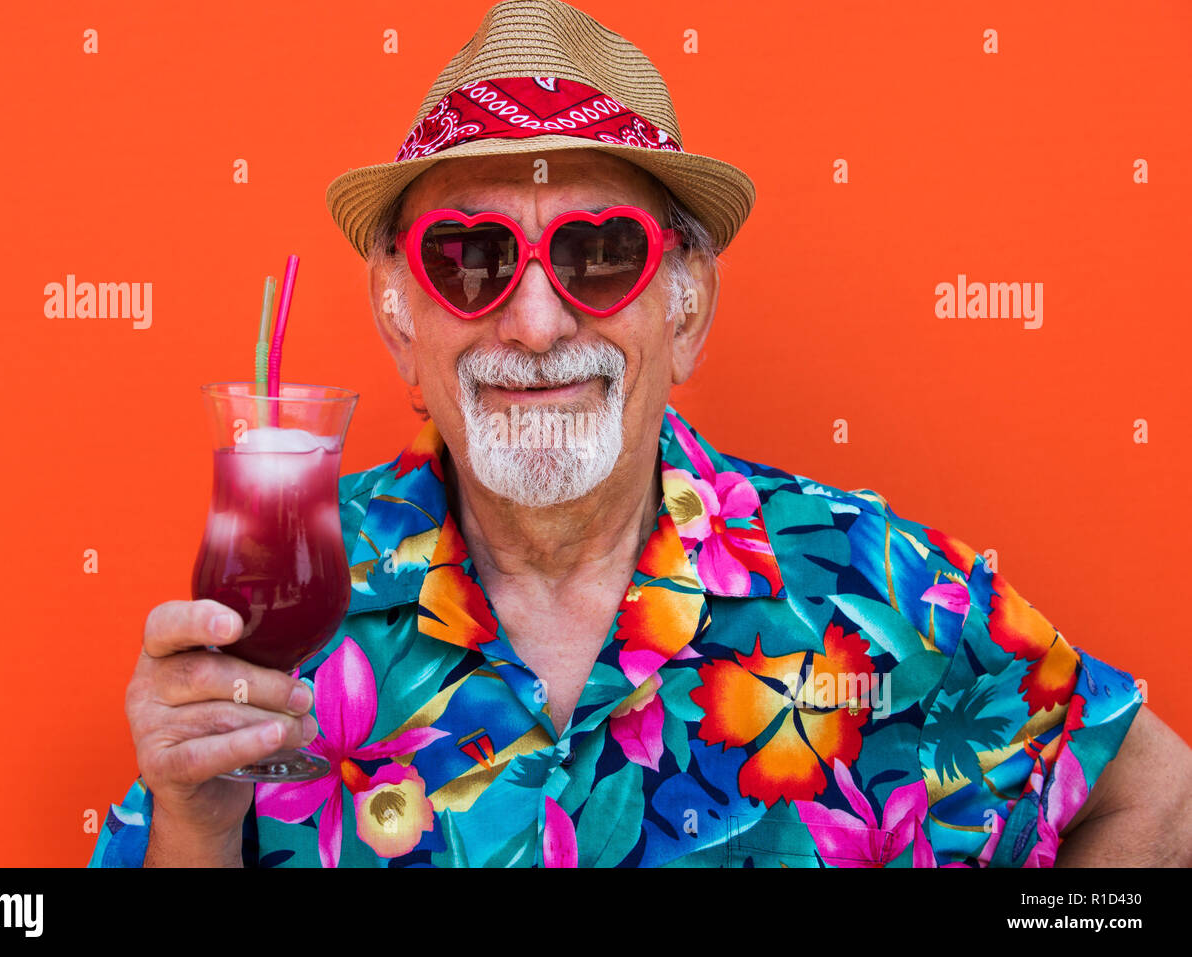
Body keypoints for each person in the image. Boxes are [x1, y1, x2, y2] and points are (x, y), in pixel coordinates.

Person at [91, 0, 1191, 868]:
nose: (533, 322)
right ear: (398, 316)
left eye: (599, 252)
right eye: (469, 260)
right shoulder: (284, 620)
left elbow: (1158, 795)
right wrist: (192, 823)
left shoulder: (887, 591)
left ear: (683, 306)